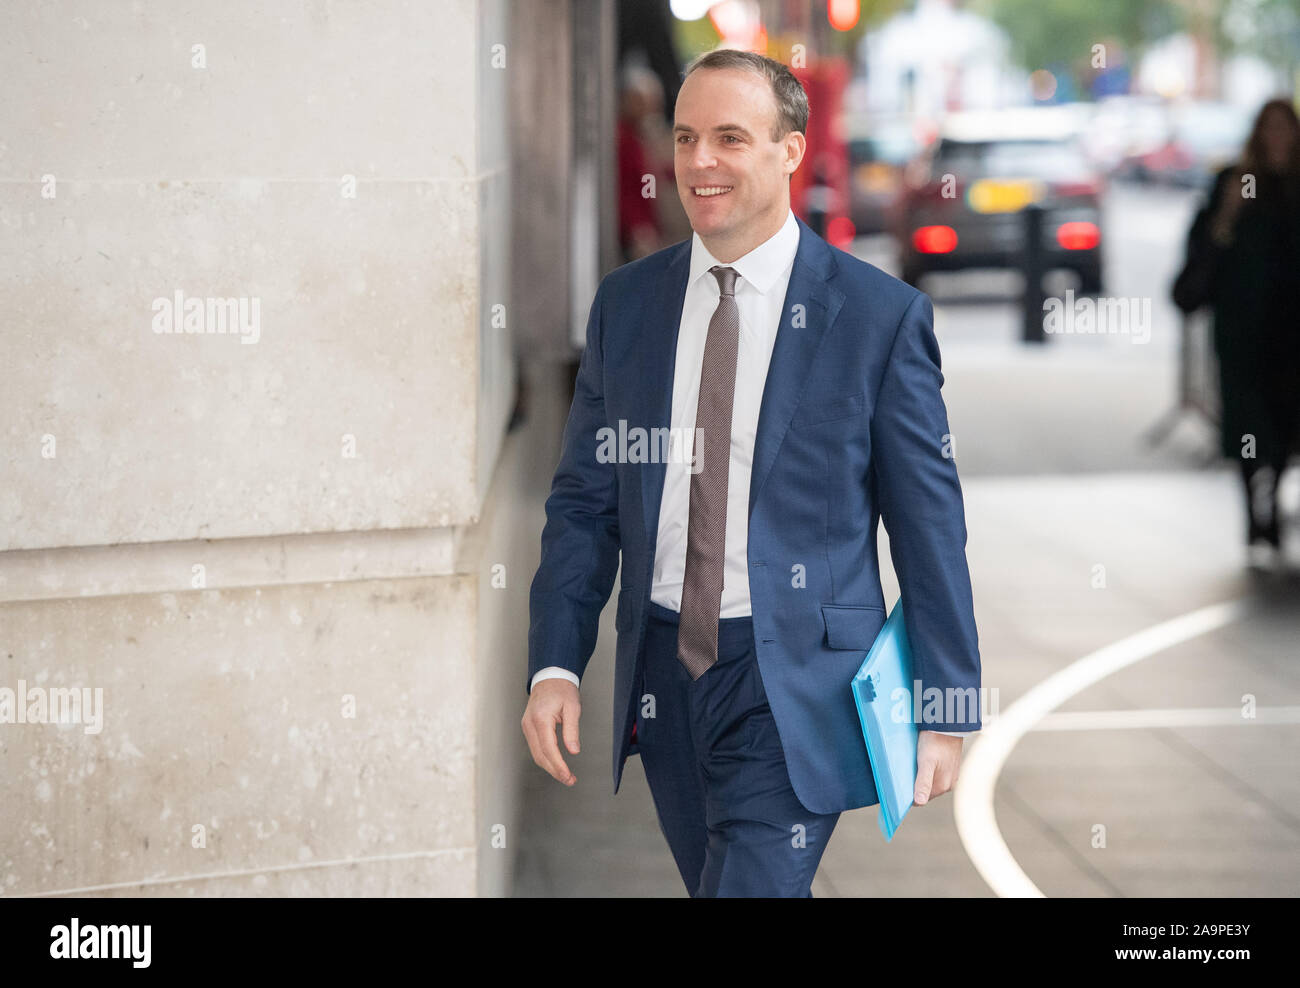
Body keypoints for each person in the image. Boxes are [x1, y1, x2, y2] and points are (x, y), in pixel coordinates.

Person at [522, 49, 982, 897]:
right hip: (663, 672)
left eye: (731, 138)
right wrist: (555, 662)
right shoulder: (627, 308)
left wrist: (947, 702)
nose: (700, 162)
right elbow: (586, 506)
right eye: (687, 136)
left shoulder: (878, 321)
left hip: (795, 684)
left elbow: (928, 525)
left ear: (791, 151)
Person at [1175, 99, 1300, 563]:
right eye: (1270, 128)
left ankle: (1274, 498)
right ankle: (1254, 511)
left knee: (1286, 424)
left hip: (1290, 333)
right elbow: (1208, 245)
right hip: (1244, 330)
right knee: (1248, 424)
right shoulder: (1235, 181)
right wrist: (1228, 214)